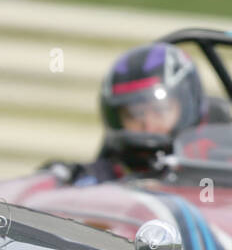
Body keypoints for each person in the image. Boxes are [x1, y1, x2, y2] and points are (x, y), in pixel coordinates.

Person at [64, 42, 207, 185]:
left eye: (160, 111)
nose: (148, 126)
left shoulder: (218, 167)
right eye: (135, 115)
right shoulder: (97, 178)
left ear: (186, 108)